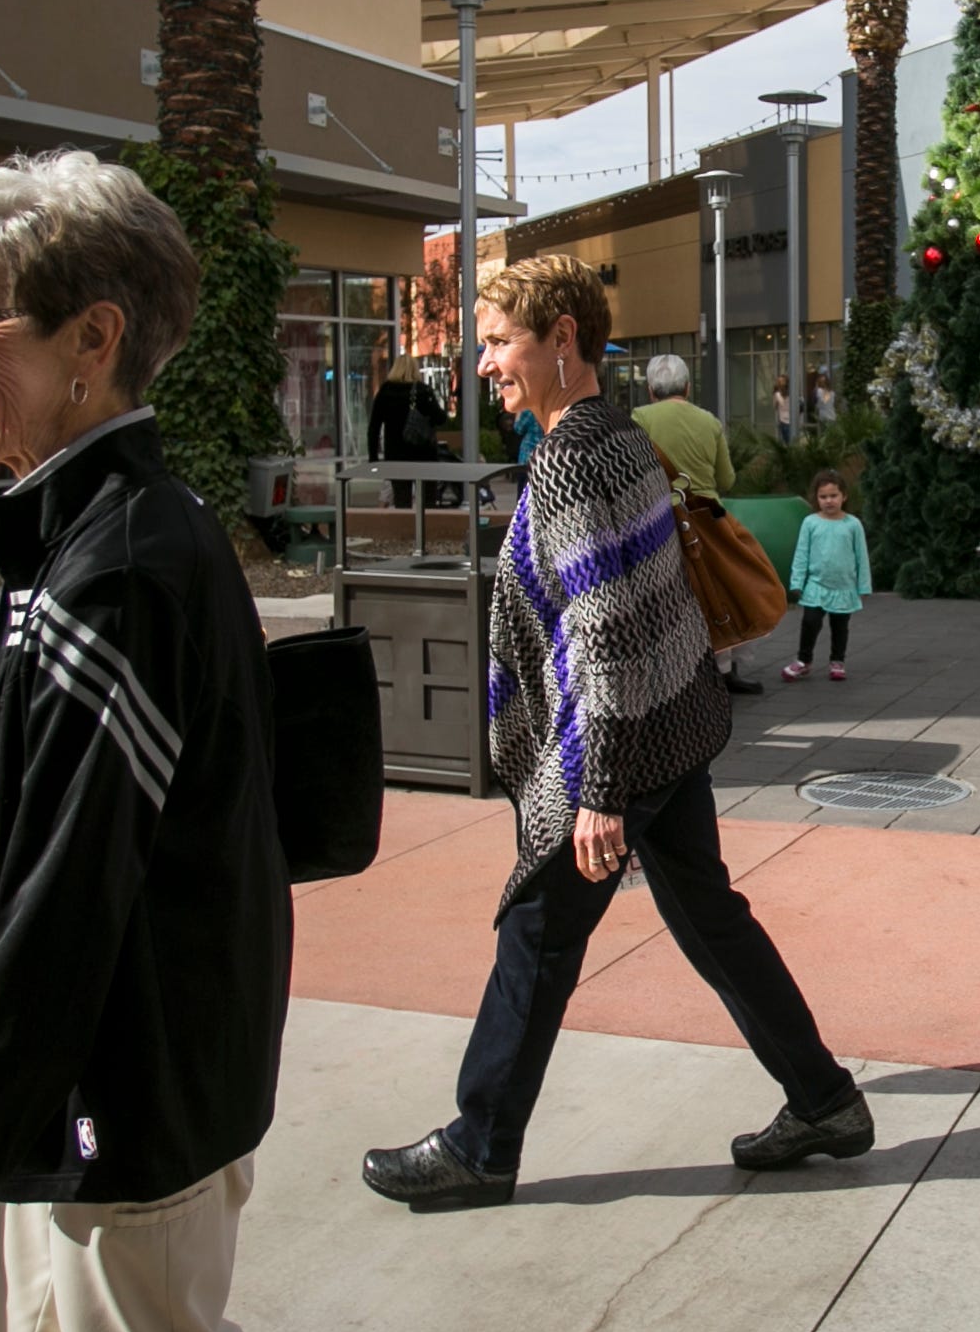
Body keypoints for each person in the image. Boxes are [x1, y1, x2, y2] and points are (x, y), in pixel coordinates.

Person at [0, 151, 578, 1332]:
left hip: (141, 1073)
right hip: (132, 1060)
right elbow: (182, 779)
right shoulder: (134, 529)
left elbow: (67, 914)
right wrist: (29, 800)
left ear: (89, 341)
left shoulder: (110, 563)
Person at [362, 254, 866, 1211]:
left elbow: (602, 628)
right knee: (709, 916)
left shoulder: (569, 462)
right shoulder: (620, 436)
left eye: (501, 341)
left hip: (619, 743)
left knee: (537, 935)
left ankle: (480, 1145)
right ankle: (825, 1100)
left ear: (561, 341)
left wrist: (597, 790)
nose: (484, 364)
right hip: (671, 720)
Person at [626, 351, 761, 694]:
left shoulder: (639, 418)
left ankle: (678, 673)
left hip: (661, 520)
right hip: (709, 520)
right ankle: (727, 669)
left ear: (651, 391)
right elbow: (726, 479)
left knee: (671, 595)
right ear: (687, 388)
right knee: (723, 591)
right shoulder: (709, 422)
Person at [779, 472, 867, 681]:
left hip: (843, 587)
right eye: (823, 496)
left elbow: (861, 556)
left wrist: (863, 586)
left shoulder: (852, 524)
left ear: (844, 496)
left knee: (840, 626)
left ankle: (838, 661)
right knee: (810, 622)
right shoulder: (810, 523)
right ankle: (803, 660)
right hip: (816, 586)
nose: (829, 501)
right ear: (816, 498)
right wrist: (796, 582)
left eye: (833, 495)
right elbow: (801, 554)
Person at [369, 355, 447, 508]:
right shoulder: (423, 391)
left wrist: (373, 457)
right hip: (424, 456)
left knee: (402, 500)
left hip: (396, 456)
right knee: (428, 503)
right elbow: (441, 418)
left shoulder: (385, 392)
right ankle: (426, 530)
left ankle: (405, 530)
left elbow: (374, 427)